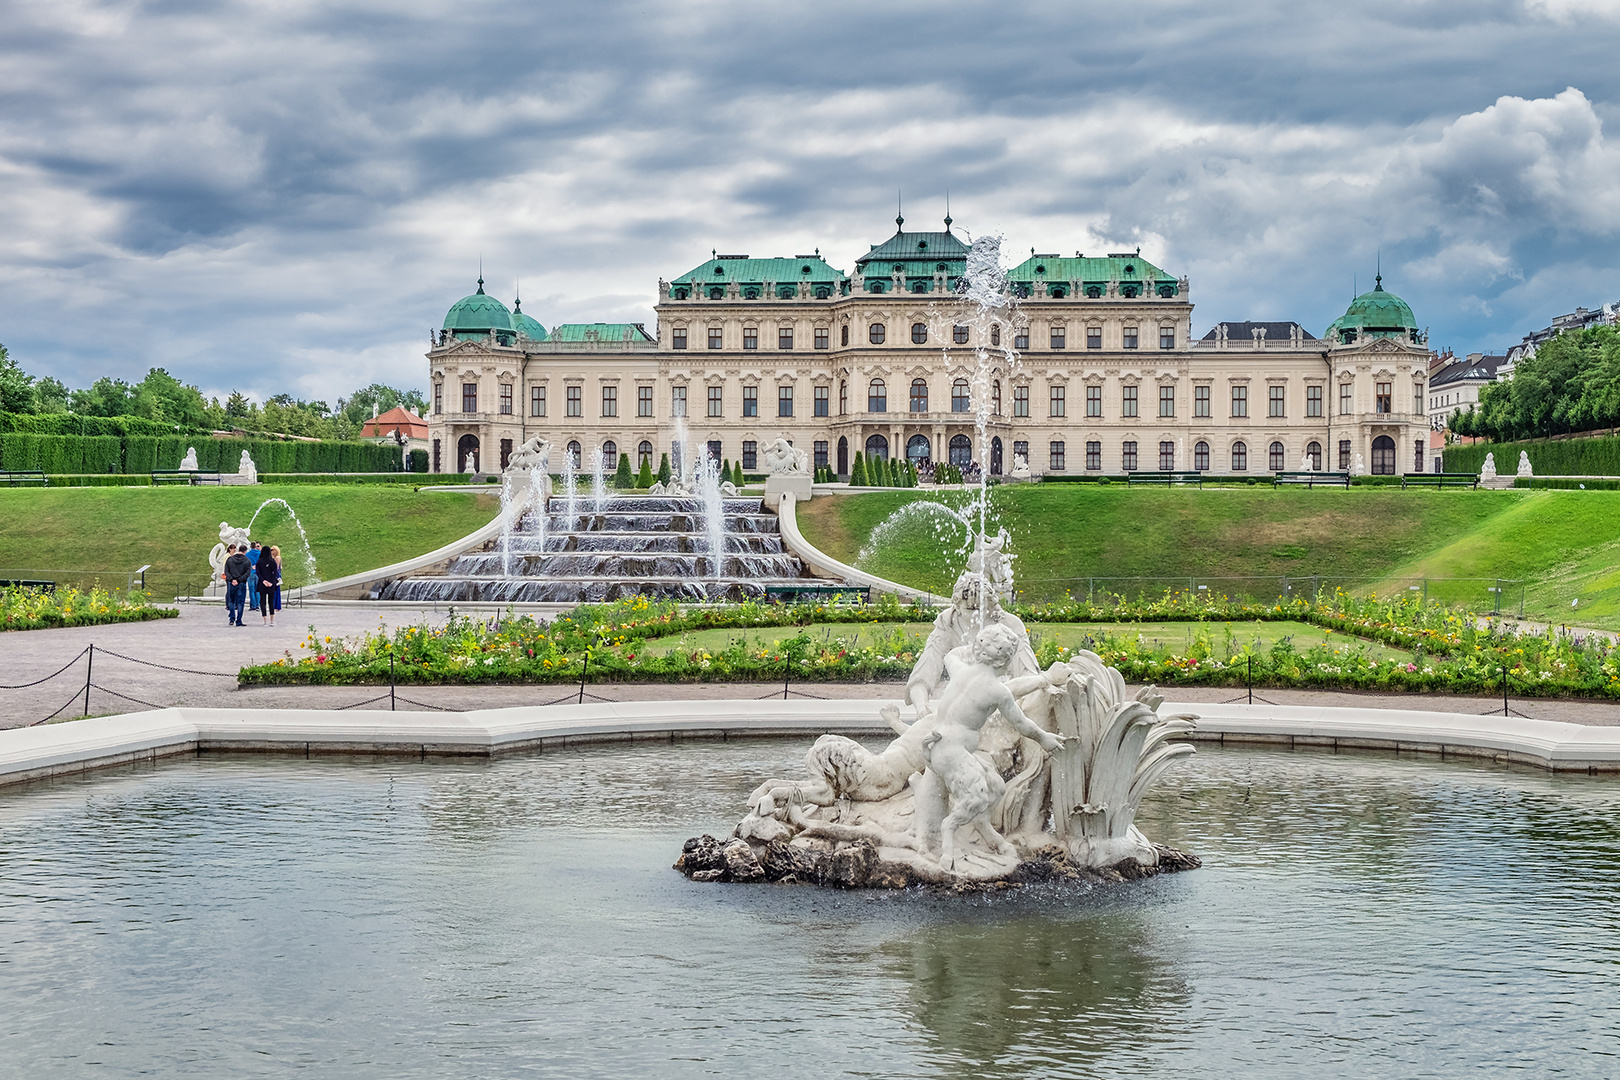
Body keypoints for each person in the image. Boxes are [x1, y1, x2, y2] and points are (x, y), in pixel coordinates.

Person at [223, 545, 253, 627]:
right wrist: (239, 580)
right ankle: (239, 620)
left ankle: (231, 619)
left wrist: (232, 579)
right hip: (241, 583)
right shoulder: (247, 561)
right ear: (245, 551)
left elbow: (226, 571)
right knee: (240, 602)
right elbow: (247, 573)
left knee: (231, 601)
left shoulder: (230, 559)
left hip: (231, 582)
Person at [256, 542, 281, 626]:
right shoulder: (272, 561)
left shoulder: (259, 561)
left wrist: (263, 581)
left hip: (262, 583)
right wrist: (270, 581)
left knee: (262, 602)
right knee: (271, 602)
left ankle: (265, 621)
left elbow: (258, 572)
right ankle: (272, 620)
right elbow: (274, 573)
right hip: (271, 584)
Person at [246, 541, 262, 613]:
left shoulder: (247, 554)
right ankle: (258, 605)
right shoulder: (259, 554)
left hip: (251, 573)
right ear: (256, 546)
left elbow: (246, 564)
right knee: (257, 590)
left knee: (251, 590)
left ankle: (253, 605)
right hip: (258, 573)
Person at [269, 545, 284, 616]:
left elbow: (276, 567)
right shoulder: (275, 558)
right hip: (276, 574)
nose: (271, 551)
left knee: (276, 590)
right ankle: (275, 605)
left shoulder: (277, 558)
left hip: (276, 575)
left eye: (272, 550)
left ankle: (276, 606)